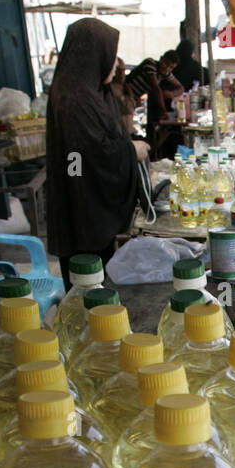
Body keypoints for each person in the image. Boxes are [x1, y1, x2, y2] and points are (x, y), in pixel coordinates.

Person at [46, 18, 147, 285]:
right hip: (83, 212)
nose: (115, 65)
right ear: (93, 54)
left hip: (91, 210)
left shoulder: (92, 92)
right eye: (111, 56)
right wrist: (131, 151)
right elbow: (89, 156)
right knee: (90, 294)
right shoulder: (73, 99)